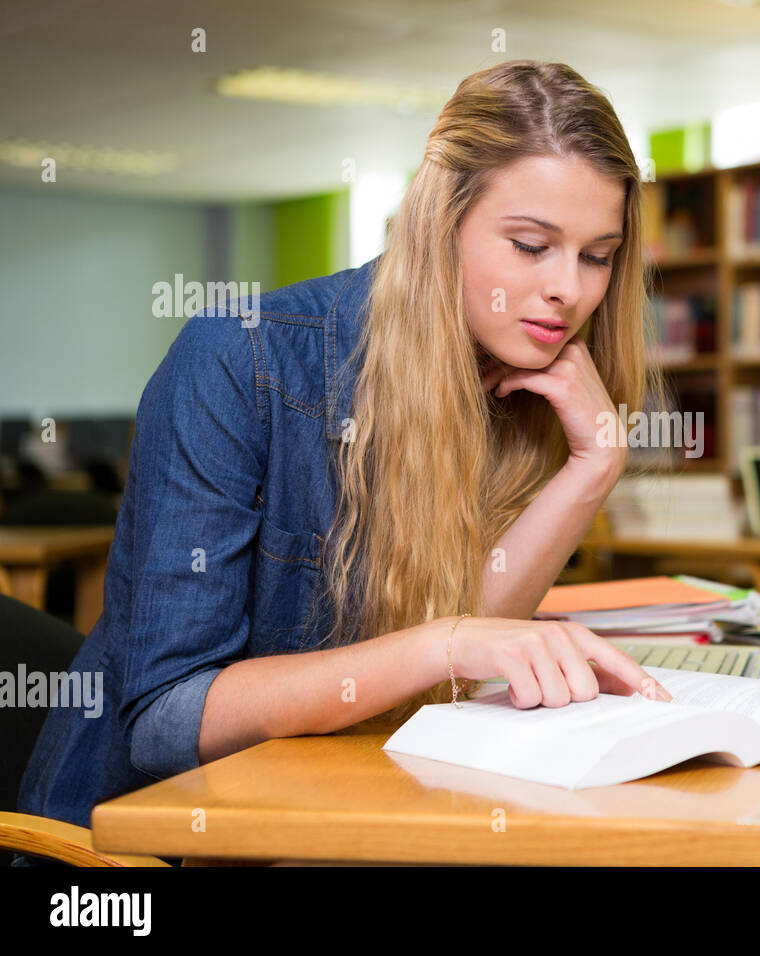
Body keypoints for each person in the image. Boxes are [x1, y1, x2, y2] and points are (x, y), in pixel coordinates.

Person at [15, 59, 674, 854]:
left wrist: (591, 469)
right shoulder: (239, 359)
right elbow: (165, 719)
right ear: (441, 221)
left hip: (333, 818)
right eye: (531, 245)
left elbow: (459, 659)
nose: (567, 290)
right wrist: (446, 638)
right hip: (145, 847)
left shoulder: (518, 377)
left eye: (597, 256)